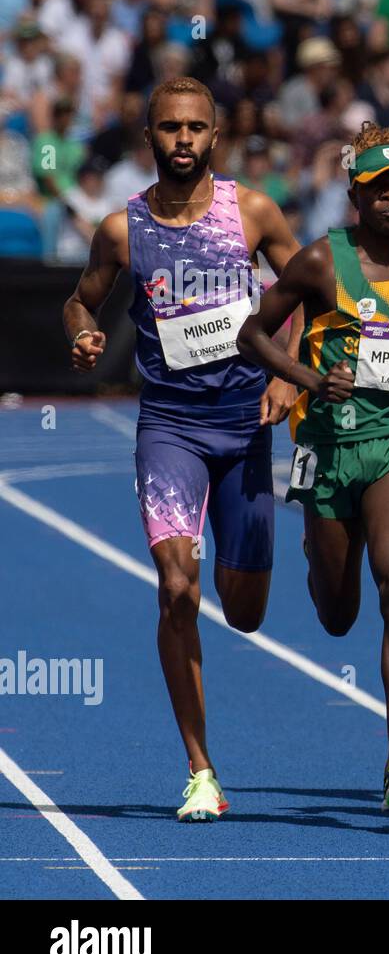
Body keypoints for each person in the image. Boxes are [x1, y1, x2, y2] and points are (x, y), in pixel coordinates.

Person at [63, 76, 300, 821]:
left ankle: (244, 572)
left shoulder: (251, 212)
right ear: (150, 139)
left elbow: (306, 289)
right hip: (169, 425)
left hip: (245, 425)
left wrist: (290, 378)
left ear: (215, 136)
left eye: (196, 128)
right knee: (176, 589)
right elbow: (79, 297)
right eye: (170, 128)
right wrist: (81, 331)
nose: (184, 141)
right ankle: (200, 767)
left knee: (246, 608)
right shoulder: (121, 229)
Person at [237, 124, 389, 812]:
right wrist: (308, 377)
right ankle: (323, 550)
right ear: (357, 197)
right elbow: (250, 334)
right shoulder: (318, 262)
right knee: (338, 614)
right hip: (331, 449)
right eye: (377, 189)